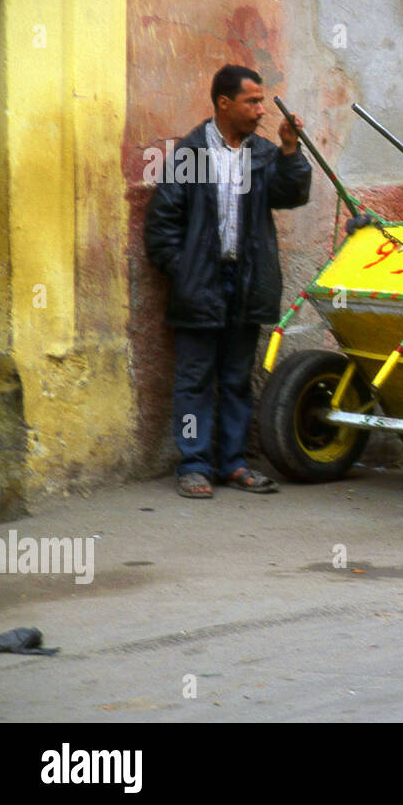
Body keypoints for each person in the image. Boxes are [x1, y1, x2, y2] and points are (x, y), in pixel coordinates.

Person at [144, 64, 312, 498]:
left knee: (237, 377)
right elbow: (161, 228)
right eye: (252, 101)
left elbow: (292, 194)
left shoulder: (261, 153)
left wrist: (291, 151)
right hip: (201, 283)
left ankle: (234, 462)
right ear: (224, 103)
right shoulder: (191, 154)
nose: (261, 110)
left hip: (247, 280)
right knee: (194, 378)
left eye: (261, 101)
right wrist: (186, 271)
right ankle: (194, 464)